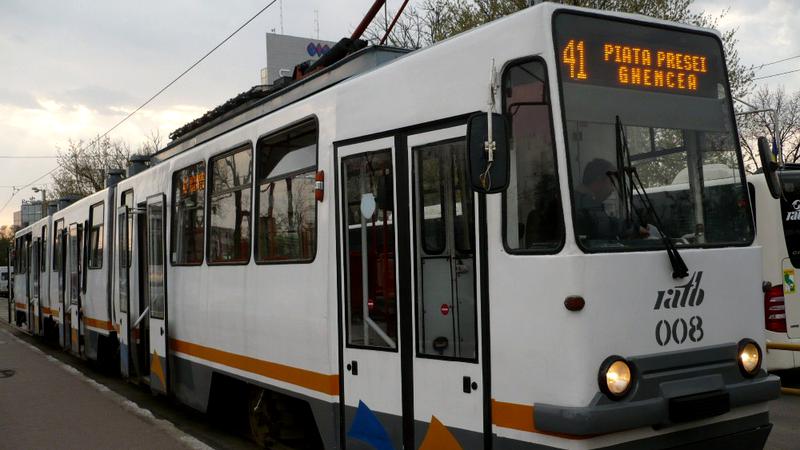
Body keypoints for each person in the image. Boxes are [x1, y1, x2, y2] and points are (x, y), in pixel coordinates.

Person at [574, 158, 649, 241]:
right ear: (599, 180)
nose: (613, 188)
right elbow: (604, 225)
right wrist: (635, 228)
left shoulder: (582, 198)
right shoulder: (583, 202)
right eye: (611, 182)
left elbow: (607, 220)